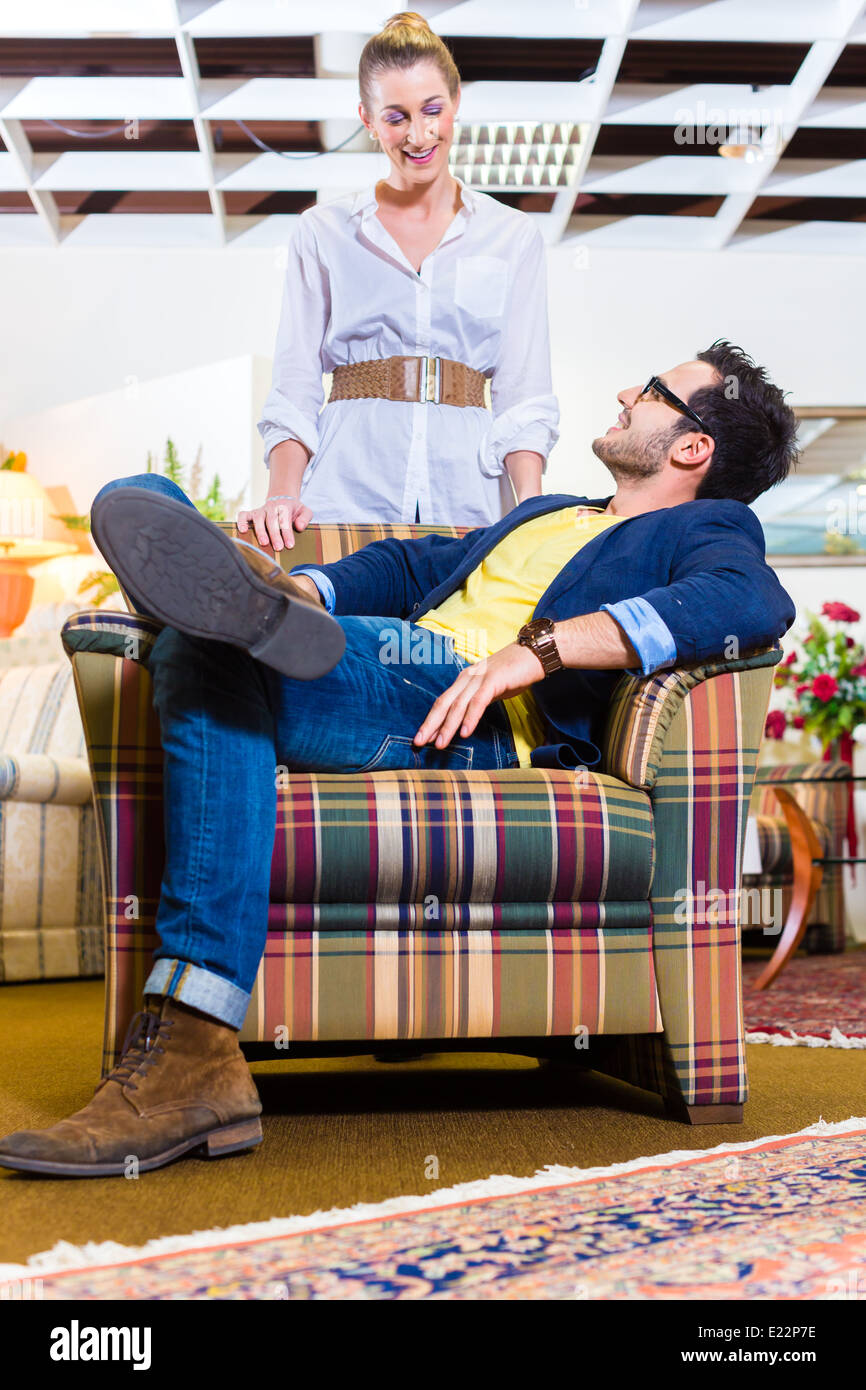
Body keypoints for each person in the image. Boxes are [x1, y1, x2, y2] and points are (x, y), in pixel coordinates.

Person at [0, 341, 798, 1177]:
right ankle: (246, 616)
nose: (629, 390)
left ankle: (191, 1049)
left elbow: (747, 601)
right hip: (373, 656)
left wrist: (541, 651)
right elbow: (417, 561)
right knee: (143, 502)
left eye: (657, 390)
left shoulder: (706, 525)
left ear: (692, 446)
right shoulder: (552, 511)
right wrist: (307, 591)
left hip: (457, 712)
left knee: (210, 651)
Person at [243, 11, 559, 548]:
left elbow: (523, 394)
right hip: (347, 486)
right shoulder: (324, 232)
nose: (418, 135)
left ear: (455, 103)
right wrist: (281, 493)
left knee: (459, 633)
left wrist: (529, 510)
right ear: (367, 118)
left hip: (471, 494)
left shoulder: (512, 236)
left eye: (432, 110)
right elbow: (295, 383)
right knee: (344, 628)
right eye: (396, 117)